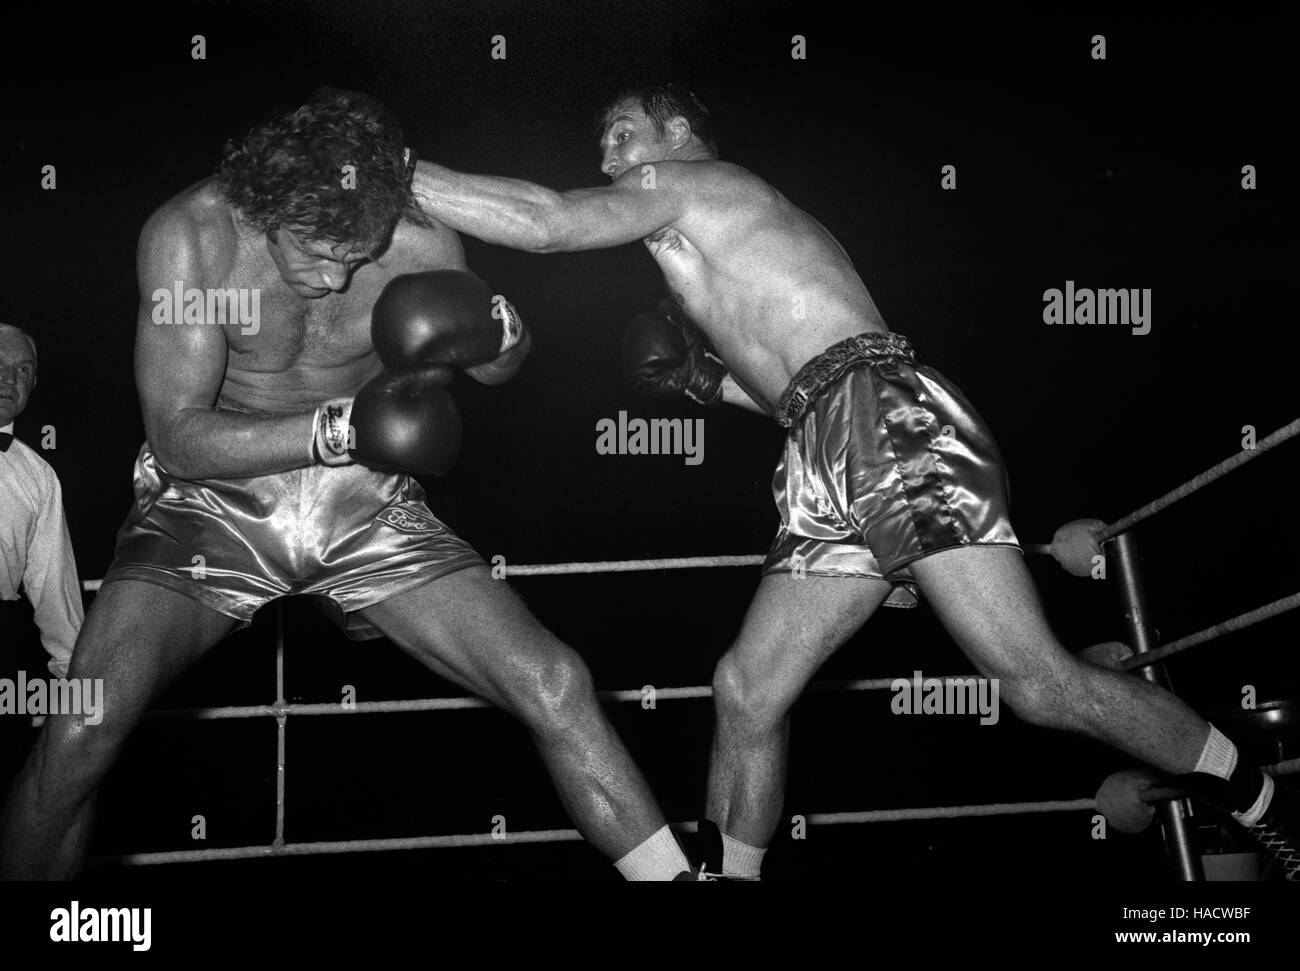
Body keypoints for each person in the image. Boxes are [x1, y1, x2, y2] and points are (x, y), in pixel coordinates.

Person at [405, 83, 1298, 880]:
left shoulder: (688, 184)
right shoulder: (707, 238)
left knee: (1036, 683)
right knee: (746, 689)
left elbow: (549, 221)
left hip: (885, 419)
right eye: (602, 144)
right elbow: (788, 382)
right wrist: (698, 383)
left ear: (676, 132)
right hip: (822, 434)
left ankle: (1259, 797)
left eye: (623, 133)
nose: (608, 157)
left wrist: (401, 173)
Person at [0, 89, 692, 881]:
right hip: (213, 505)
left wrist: (506, 339)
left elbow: (491, 365)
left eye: (354, 254)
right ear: (265, 202)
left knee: (555, 680)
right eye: (315, 250)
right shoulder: (193, 235)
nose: (334, 277)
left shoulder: (418, 238)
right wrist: (337, 428)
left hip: (366, 503)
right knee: (82, 727)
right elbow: (179, 438)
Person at [0, 322, 83, 775]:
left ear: (33, 383)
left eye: (21, 369)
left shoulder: (38, 475)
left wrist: (76, 689)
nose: (6, 380)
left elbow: (54, 587)